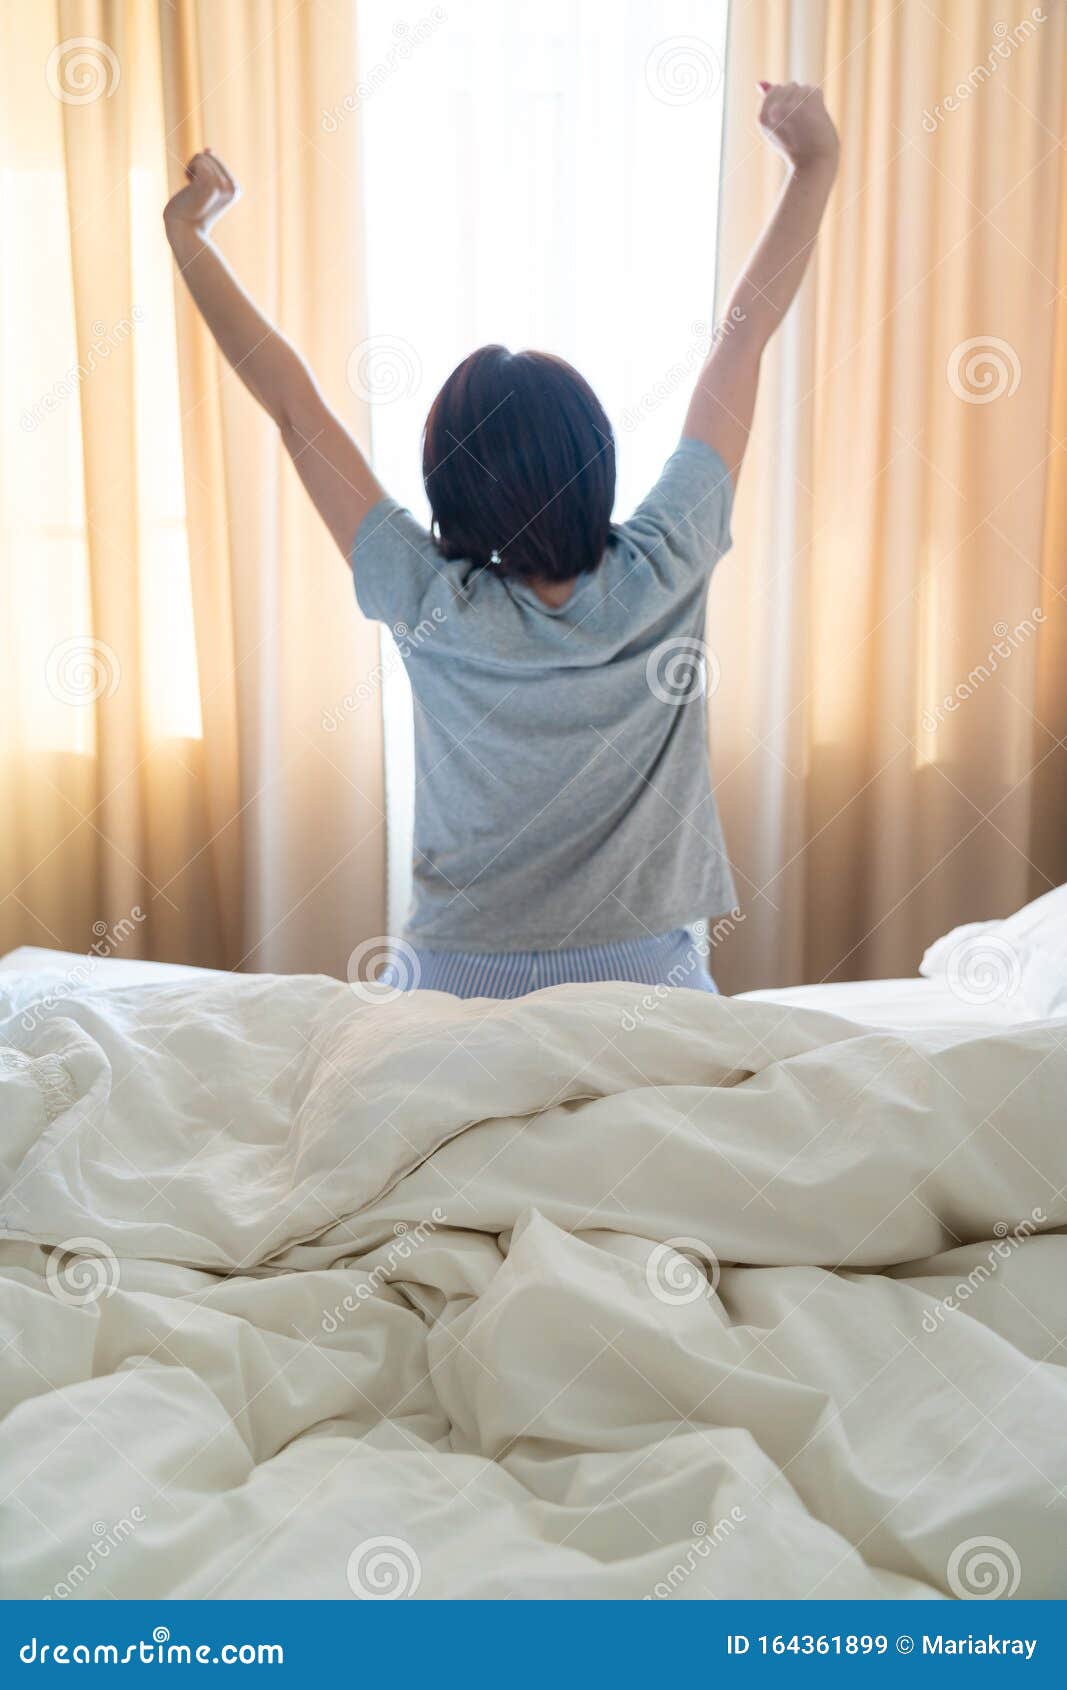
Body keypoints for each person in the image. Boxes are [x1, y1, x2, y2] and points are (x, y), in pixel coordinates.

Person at [164, 82, 839, 1000]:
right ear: (595, 457)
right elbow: (744, 334)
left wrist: (190, 241)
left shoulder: (426, 597)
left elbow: (293, 408)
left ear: (448, 488)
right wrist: (814, 164)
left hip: (452, 976)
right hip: (644, 973)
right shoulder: (668, 562)